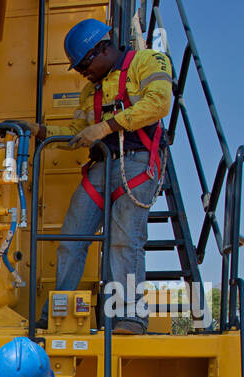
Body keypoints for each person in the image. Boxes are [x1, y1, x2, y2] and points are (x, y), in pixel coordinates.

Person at [36, 19, 174, 334]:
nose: (84, 74)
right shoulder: (90, 93)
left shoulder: (148, 61)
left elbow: (159, 102)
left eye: (85, 65)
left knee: (124, 242)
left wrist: (107, 127)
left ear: (103, 48)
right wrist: (41, 132)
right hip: (101, 167)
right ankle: (59, 312)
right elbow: (75, 133)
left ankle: (129, 317)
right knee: (71, 239)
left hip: (136, 163)